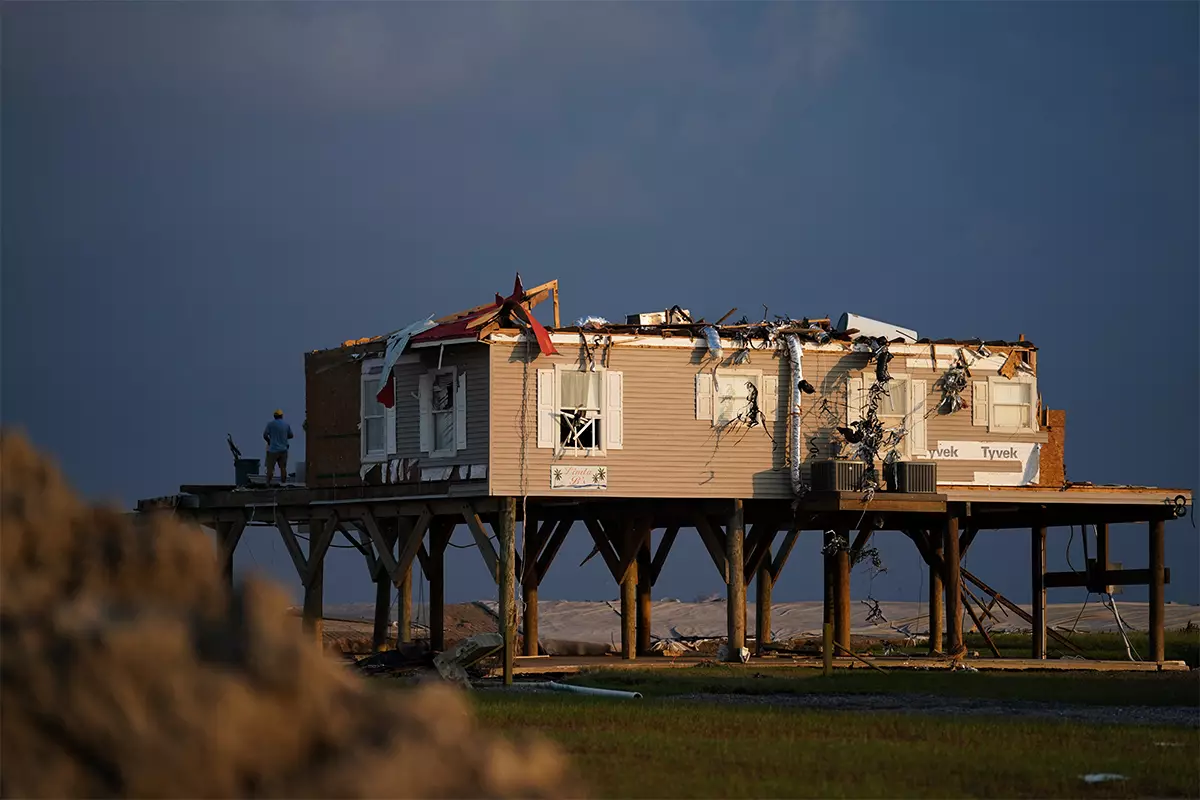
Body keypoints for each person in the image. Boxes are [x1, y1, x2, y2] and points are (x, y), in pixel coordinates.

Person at [263, 409, 294, 486]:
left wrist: (269, 441)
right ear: (282, 416)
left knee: (270, 468)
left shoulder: (270, 424)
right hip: (283, 450)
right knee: (283, 468)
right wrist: (283, 437)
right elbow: (291, 435)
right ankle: (283, 483)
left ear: (274, 416)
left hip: (273, 450)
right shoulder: (286, 425)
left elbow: (265, 435)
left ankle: (268, 484)